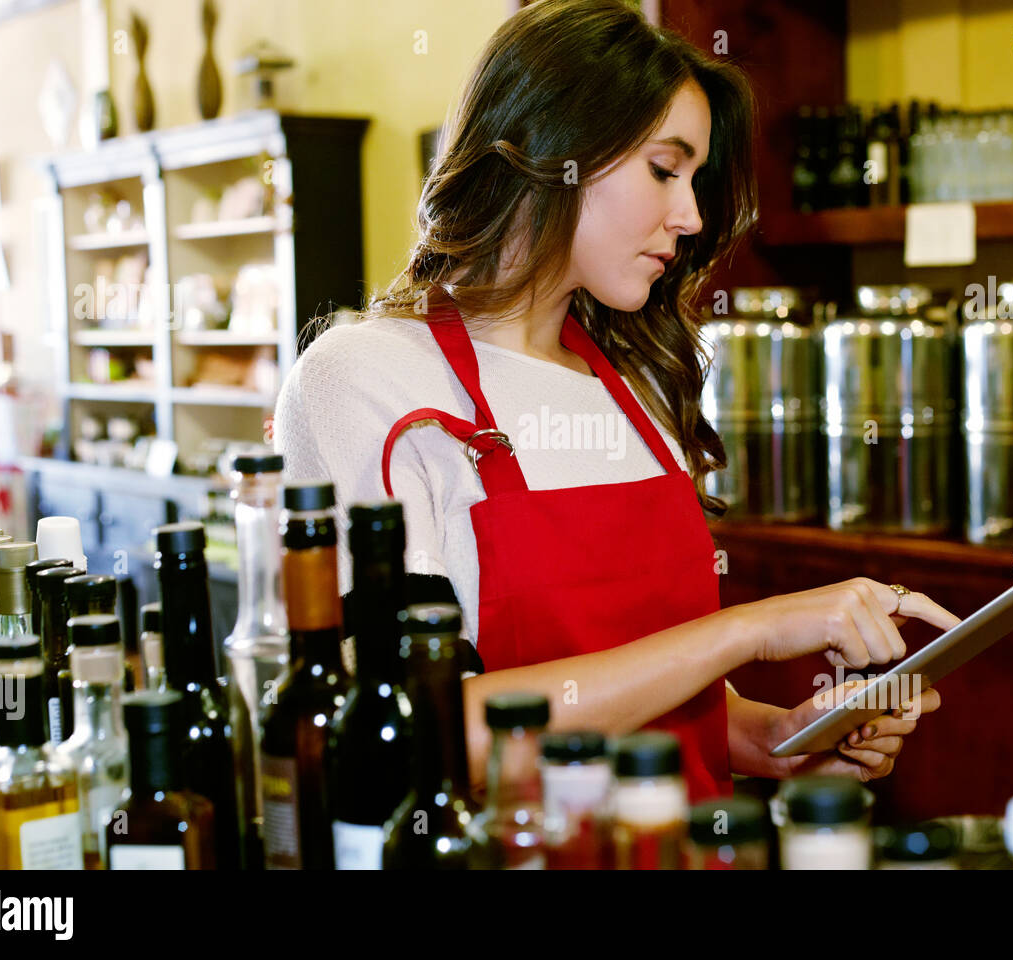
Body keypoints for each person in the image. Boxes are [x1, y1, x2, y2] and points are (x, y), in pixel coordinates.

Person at [274, 0, 958, 801]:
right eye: (664, 170)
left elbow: (671, 703)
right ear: (554, 147)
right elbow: (427, 735)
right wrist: (749, 628)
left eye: (696, 180)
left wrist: (776, 738)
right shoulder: (363, 382)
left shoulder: (633, 384)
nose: (692, 215)